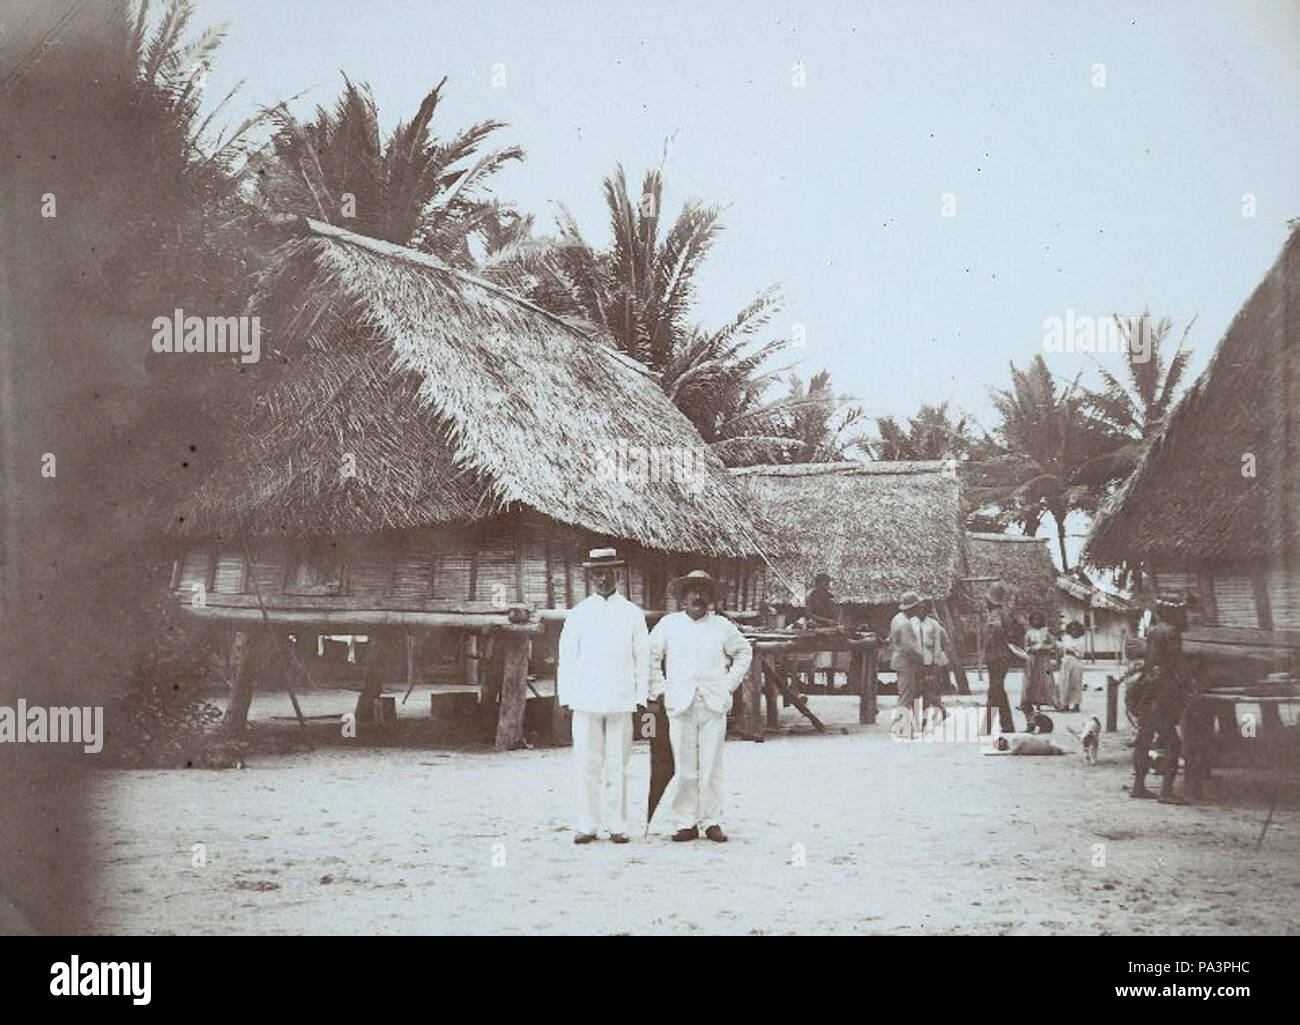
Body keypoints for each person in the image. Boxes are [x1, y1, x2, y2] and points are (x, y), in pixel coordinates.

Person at [648, 570, 753, 842]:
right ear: (682, 599)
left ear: (711, 597)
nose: (698, 596)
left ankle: (712, 821)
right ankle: (685, 822)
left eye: (703, 591)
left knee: (712, 765)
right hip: (680, 702)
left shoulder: (722, 626)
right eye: (692, 591)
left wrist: (727, 684)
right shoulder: (669, 625)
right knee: (684, 765)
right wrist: (661, 689)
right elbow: (650, 656)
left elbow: (744, 652)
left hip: (713, 703)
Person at [557, 548, 649, 844]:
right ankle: (587, 824)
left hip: (621, 699)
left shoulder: (633, 614)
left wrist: (641, 697)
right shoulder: (578, 614)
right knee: (586, 763)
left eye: (609, 572)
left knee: (618, 764)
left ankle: (618, 825)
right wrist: (567, 697)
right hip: (586, 699)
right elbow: (567, 658)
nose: (603, 578)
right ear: (590, 577)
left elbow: (642, 657)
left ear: (618, 575)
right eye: (597, 573)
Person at [1130, 596, 1192, 804]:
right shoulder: (1172, 632)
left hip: (1147, 690)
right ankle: (1166, 792)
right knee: (1173, 743)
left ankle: (1138, 786)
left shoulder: (1153, 630)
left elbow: (1151, 660)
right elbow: (1176, 663)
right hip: (1163, 692)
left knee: (1144, 739)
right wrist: (1187, 683)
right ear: (1175, 613)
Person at [982, 584, 1019, 735]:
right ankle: (1007, 724)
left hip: (996, 655)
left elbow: (996, 628)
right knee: (999, 690)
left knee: (994, 691)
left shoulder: (995, 613)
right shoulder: (1004, 612)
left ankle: (987, 726)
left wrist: (991, 640)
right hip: (1002, 655)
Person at [889, 591, 927, 736]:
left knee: (904, 694)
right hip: (906, 663)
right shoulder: (905, 624)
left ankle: (899, 725)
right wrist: (922, 659)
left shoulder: (897, 618)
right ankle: (901, 727)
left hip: (900, 660)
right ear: (912, 608)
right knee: (906, 695)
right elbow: (910, 647)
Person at [1021, 611, 1058, 714]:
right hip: (1033, 659)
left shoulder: (1046, 631)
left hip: (1044, 658)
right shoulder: (1029, 633)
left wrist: (1045, 648)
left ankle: (1050, 700)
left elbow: (1053, 644)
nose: (1036, 621)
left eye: (1038, 619)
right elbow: (1026, 647)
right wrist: (1031, 649)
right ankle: (1033, 702)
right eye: (1034, 619)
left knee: (1046, 678)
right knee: (1033, 679)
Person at [1057, 621, 1086, 711]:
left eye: (1076, 630)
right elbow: (1061, 648)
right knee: (1064, 683)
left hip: (1076, 663)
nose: (1074, 632)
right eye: (1072, 630)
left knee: (1075, 683)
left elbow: (1081, 654)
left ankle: (1076, 704)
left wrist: (1073, 652)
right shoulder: (1066, 638)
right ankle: (1064, 704)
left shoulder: (1081, 640)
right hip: (1066, 662)